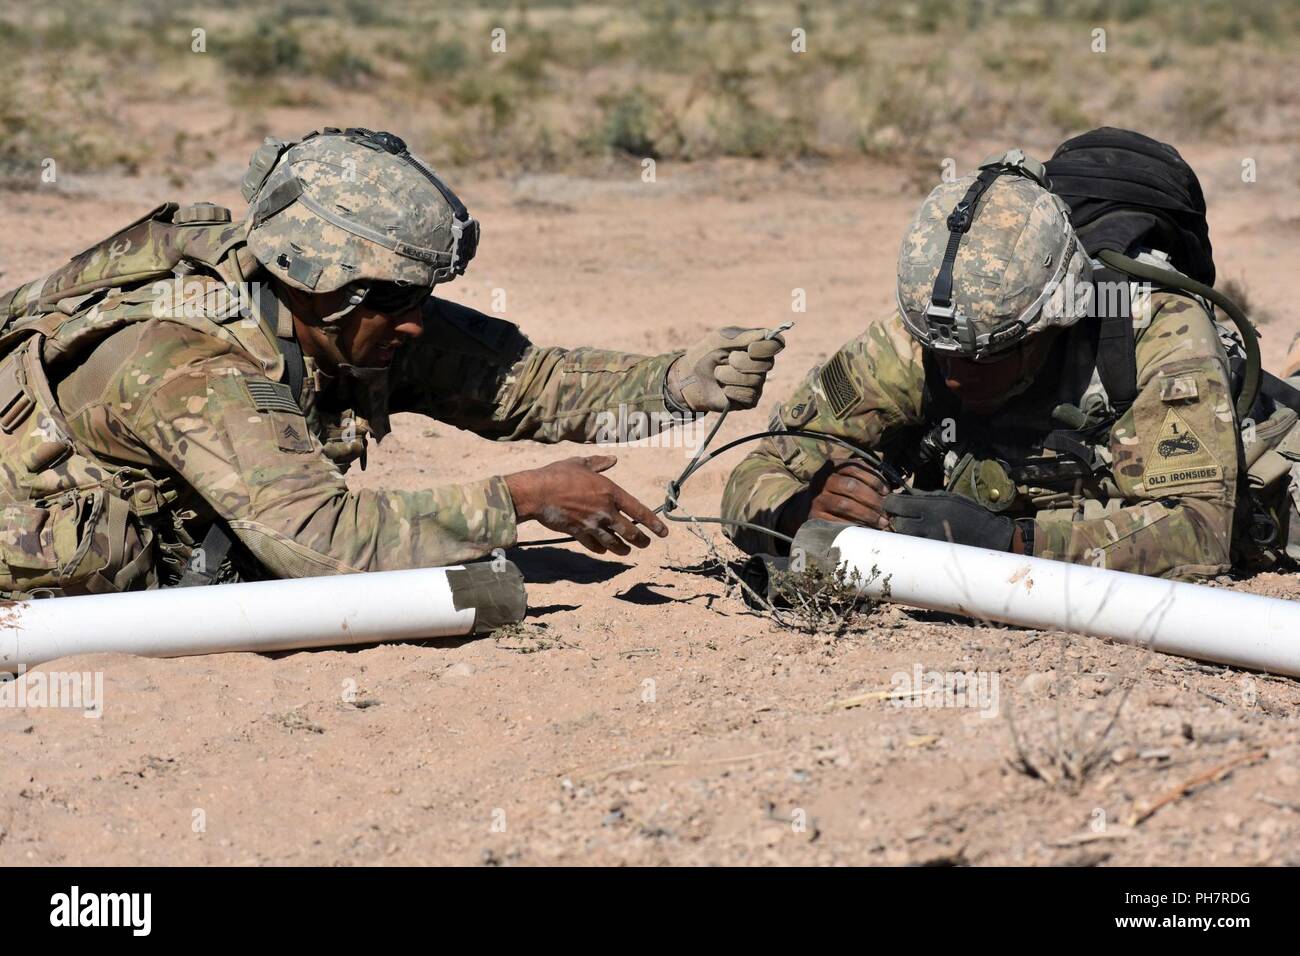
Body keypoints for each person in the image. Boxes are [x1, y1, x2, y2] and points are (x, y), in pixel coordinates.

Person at [0, 127, 784, 596]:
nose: (417, 324)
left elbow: (522, 382)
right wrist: (522, 499)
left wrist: (676, 382)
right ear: (319, 282)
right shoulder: (190, 362)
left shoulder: (352, 316)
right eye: (399, 299)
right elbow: (324, 543)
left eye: (421, 297)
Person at [722, 142, 1300, 580]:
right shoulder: (922, 337)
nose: (952, 374)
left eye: (987, 356)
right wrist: (798, 510)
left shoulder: (1158, 330)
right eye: (943, 353)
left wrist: (1013, 544)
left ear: (1054, 321)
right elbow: (753, 471)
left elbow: (1202, 533)